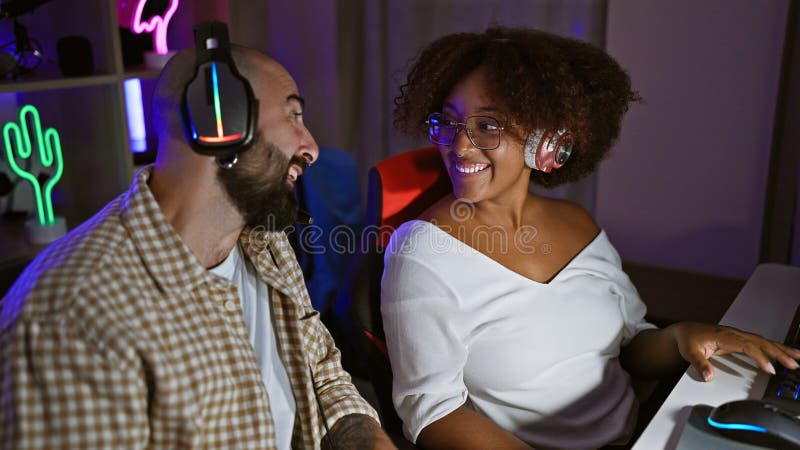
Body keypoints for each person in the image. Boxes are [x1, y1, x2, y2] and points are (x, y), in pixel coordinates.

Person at [381, 27, 800, 449]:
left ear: (546, 144)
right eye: (448, 123)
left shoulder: (578, 223)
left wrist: (681, 337)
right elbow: (434, 413)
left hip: (647, 432)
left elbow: (631, 342)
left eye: (488, 125)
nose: (460, 147)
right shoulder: (422, 253)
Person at [0, 24, 395, 450]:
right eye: (294, 115)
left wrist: (367, 440)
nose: (311, 147)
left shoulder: (265, 242)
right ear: (219, 121)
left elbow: (322, 370)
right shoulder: (73, 316)